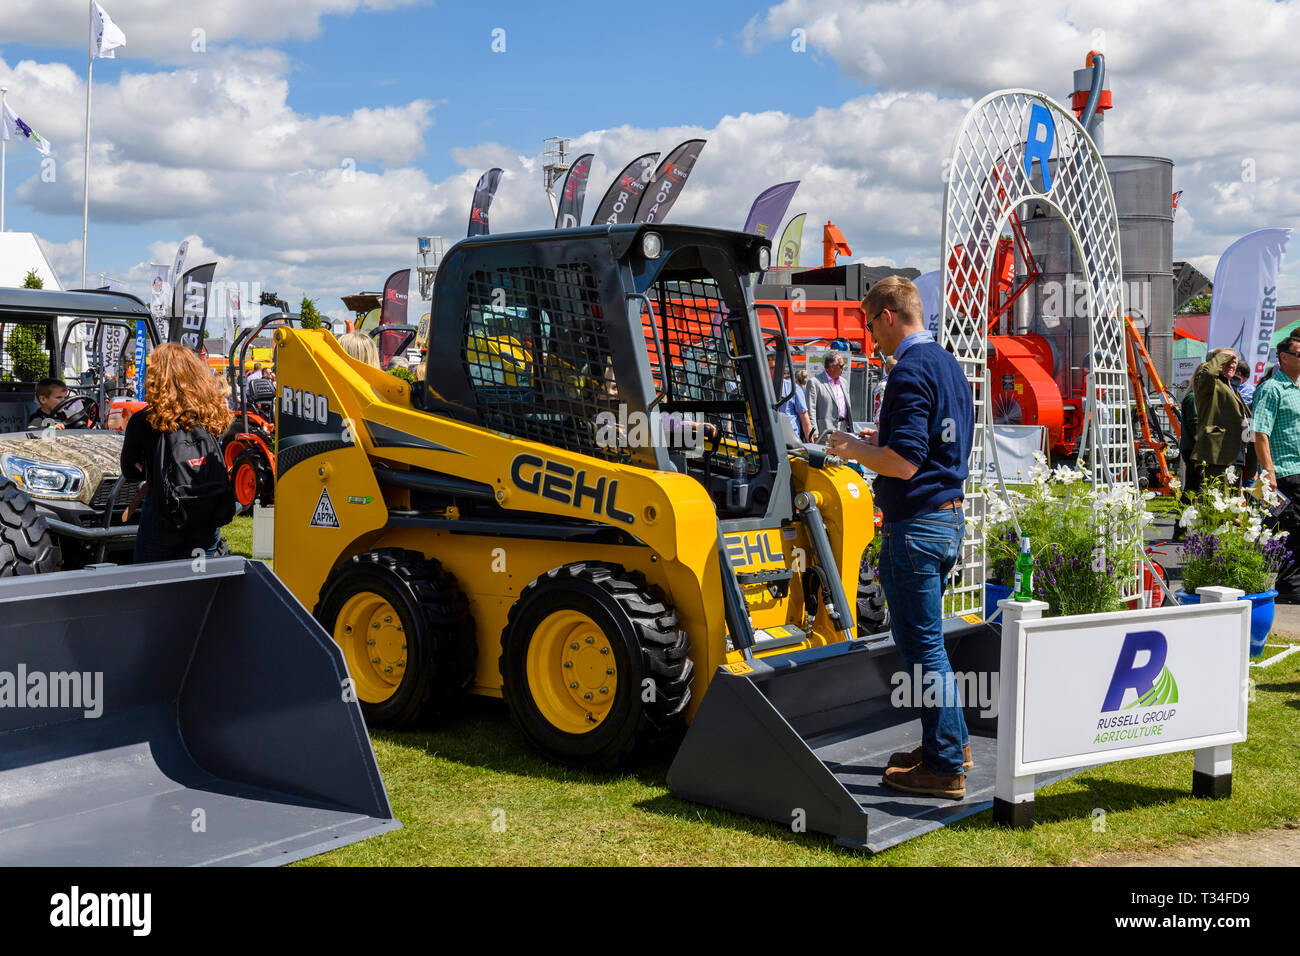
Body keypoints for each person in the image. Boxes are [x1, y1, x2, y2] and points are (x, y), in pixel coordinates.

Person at [826, 276, 974, 800]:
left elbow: (906, 463)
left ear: (889, 315)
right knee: (930, 646)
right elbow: (932, 445)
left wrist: (852, 448)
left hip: (917, 525)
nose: (870, 339)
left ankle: (944, 763)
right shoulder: (947, 365)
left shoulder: (909, 371)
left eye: (870, 325)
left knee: (922, 650)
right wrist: (881, 438)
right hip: (947, 518)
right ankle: (948, 744)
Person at [120, 343, 235, 563]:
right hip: (208, 509)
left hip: (164, 512)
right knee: (199, 581)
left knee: (152, 582)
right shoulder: (210, 413)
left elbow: (129, 470)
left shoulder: (145, 420)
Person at [1252, 339, 1300, 602]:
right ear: (1284, 357)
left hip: (1298, 467)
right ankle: (1289, 587)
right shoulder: (1272, 389)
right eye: (1299, 354)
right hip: (1284, 470)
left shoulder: (1296, 388)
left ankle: (1295, 583)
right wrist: (1268, 470)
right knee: (1291, 527)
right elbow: (1260, 432)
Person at [1192, 348, 1247, 485]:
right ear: (1214, 362)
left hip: (1235, 455)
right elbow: (1210, 372)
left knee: (1232, 504)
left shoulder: (1233, 387)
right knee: (1215, 502)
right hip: (1216, 455)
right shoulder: (1209, 382)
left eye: (1234, 362)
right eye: (1226, 360)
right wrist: (1226, 355)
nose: (1231, 365)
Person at [806, 349, 853, 441]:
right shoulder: (815, 382)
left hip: (843, 429)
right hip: (825, 431)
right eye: (841, 366)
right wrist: (814, 431)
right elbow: (811, 409)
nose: (843, 368)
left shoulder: (844, 382)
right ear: (832, 367)